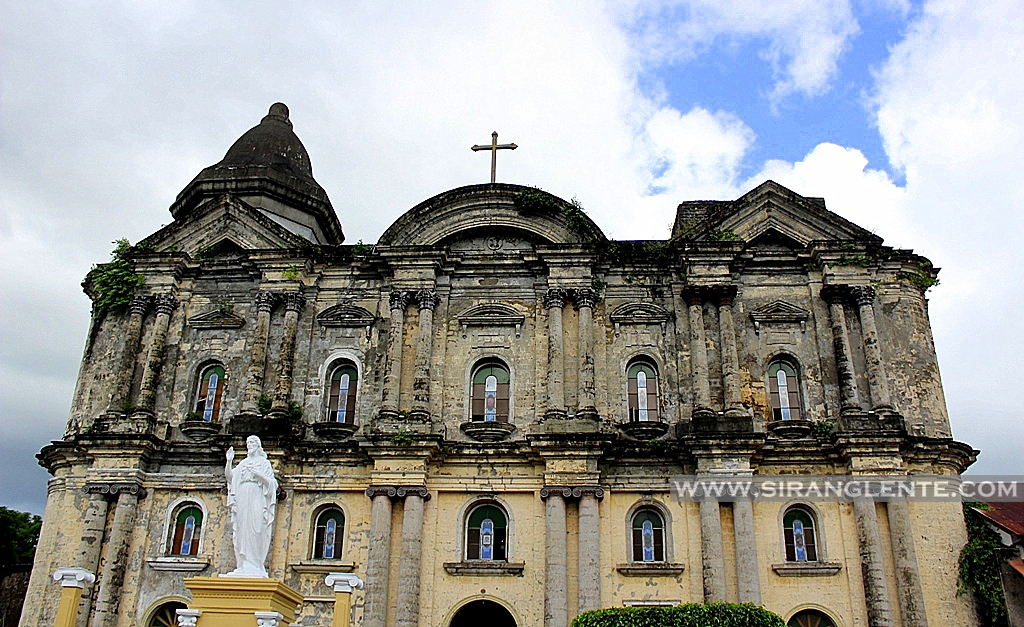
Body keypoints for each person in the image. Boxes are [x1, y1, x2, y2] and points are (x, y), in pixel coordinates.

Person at [224, 435, 278, 577]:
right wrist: (229, 461)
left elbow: (272, 484)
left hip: (257, 495)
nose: (249, 445)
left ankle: (255, 563)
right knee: (242, 528)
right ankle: (243, 563)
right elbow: (230, 478)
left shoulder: (264, 463)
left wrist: (259, 475)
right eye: (248, 443)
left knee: (257, 528)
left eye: (252, 443)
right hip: (243, 495)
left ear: (258, 445)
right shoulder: (243, 463)